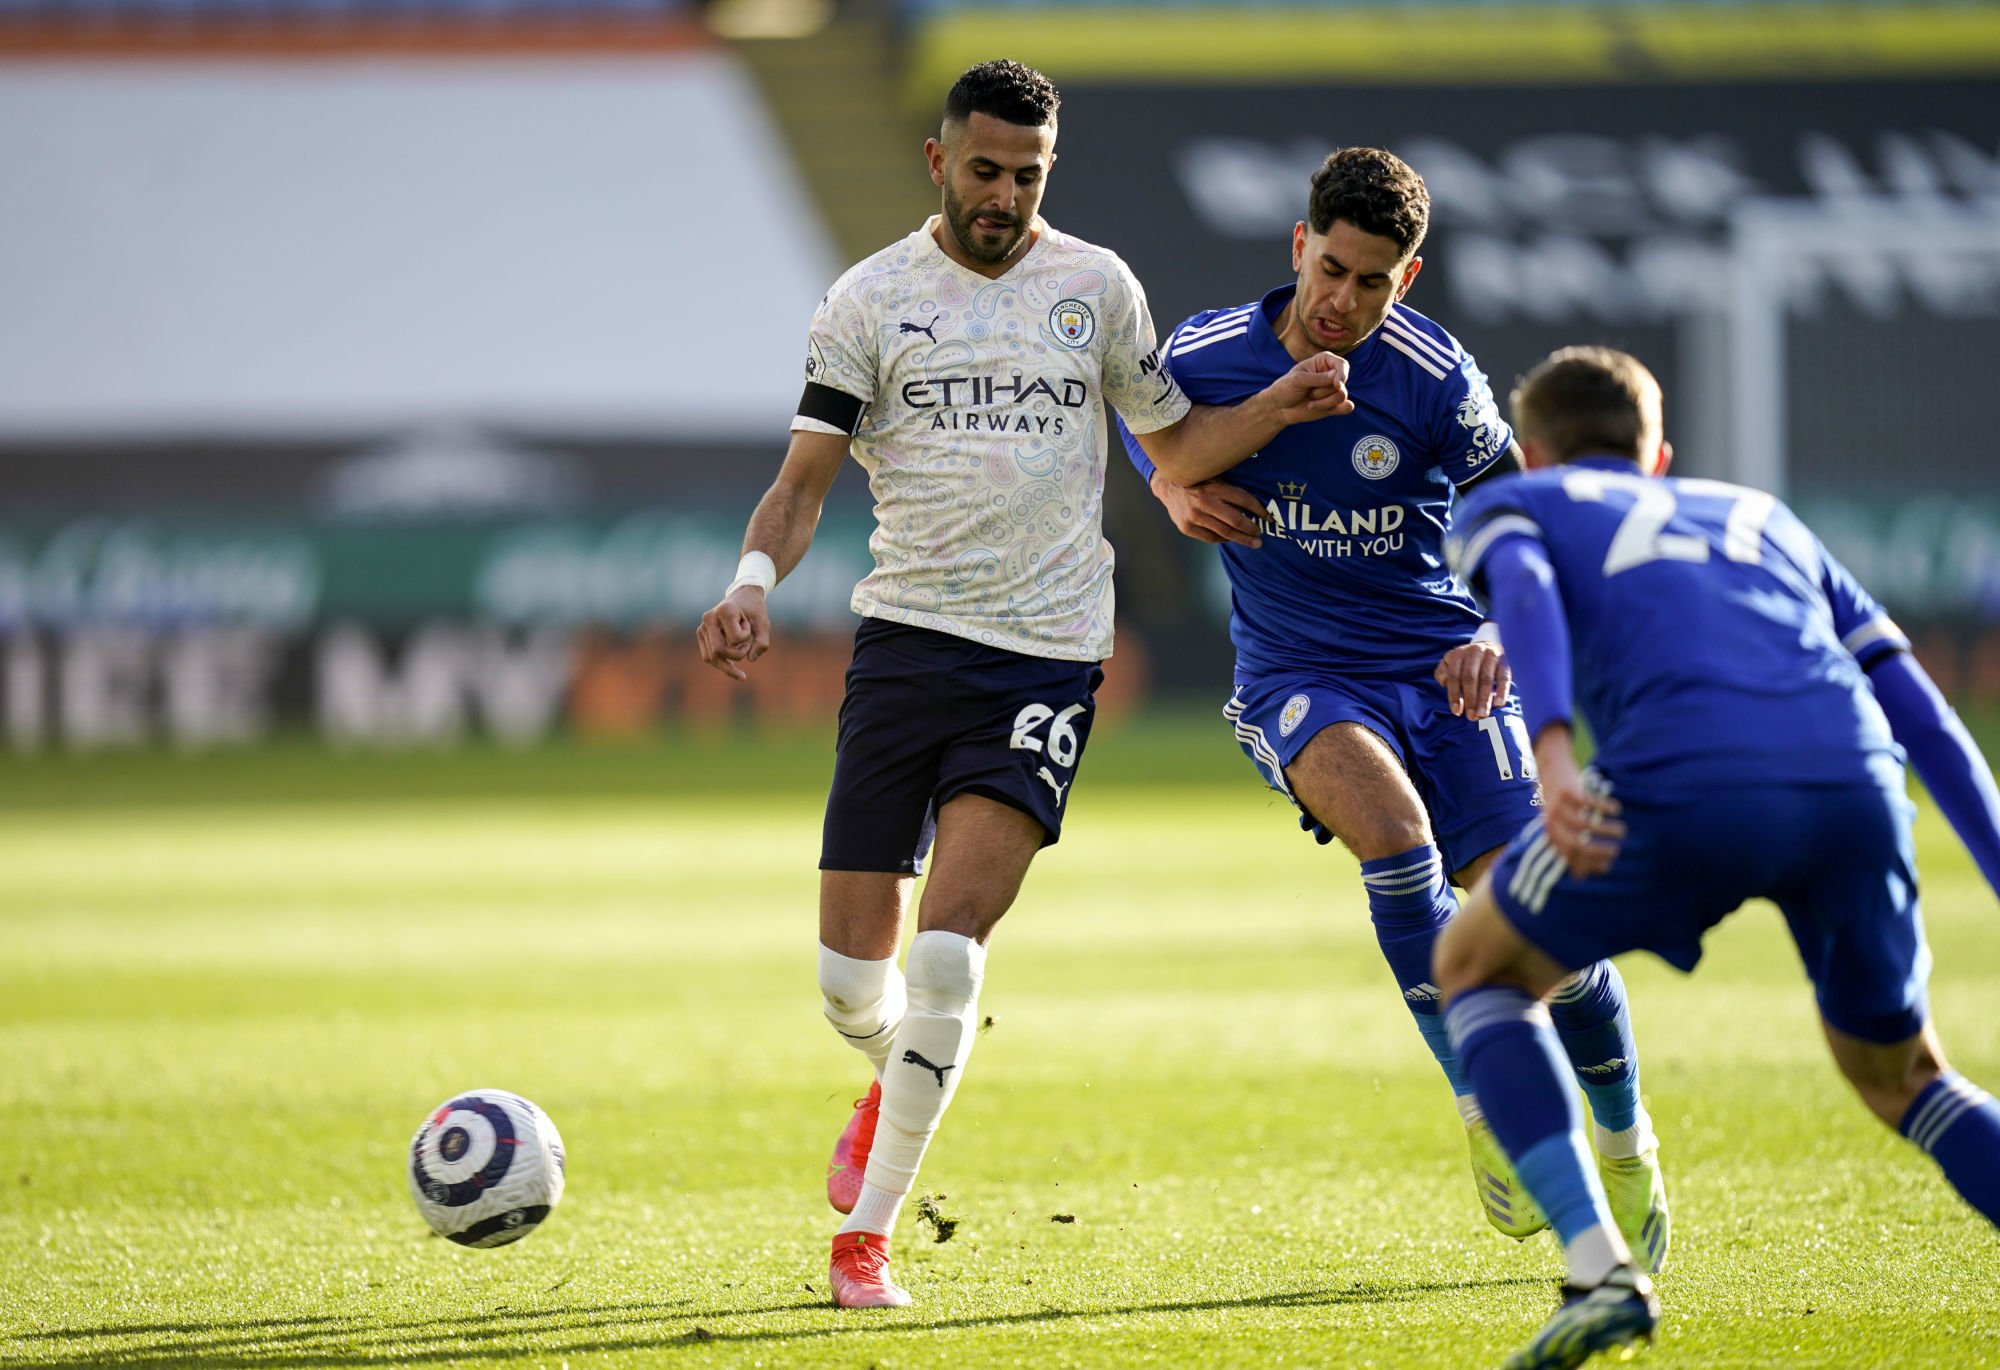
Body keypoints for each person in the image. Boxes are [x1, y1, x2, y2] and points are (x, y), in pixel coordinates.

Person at [696, 59, 1353, 1311]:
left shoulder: (1094, 288)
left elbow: (1171, 445)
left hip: (1045, 655)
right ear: (938, 161)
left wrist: (1274, 402)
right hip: (902, 648)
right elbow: (802, 482)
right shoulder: (868, 298)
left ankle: (865, 1240)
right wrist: (749, 583)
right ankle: (892, 1072)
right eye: (985, 170)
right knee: (851, 984)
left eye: (1028, 174)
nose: (1004, 195)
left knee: (946, 957)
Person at [1116, 148, 1668, 1264]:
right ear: (1297, 246)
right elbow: (1142, 426)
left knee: (1544, 935)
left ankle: (1621, 1128)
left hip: (1439, 665)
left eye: (1371, 281)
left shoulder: (1432, 377)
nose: (1342, 300)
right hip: (1295, 671)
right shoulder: (1206, 352)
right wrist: (1172, 486)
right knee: (1394, 840)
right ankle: (1481, 1102)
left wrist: (1492, 631)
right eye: (1330, 269)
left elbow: (1527, 523)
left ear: (1403, 281)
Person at [1437, 345, 2000, 1368]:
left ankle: (1600, 1266)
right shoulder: (1758, 515)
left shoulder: (1514, 502)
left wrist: (1551, 746)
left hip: (1678, 778)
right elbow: (1911, 696)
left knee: (1474, 966)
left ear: (1531, 452)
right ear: (1658, 456)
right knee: (1903, 1074)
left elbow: (1516, 580)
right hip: (1851, 785)